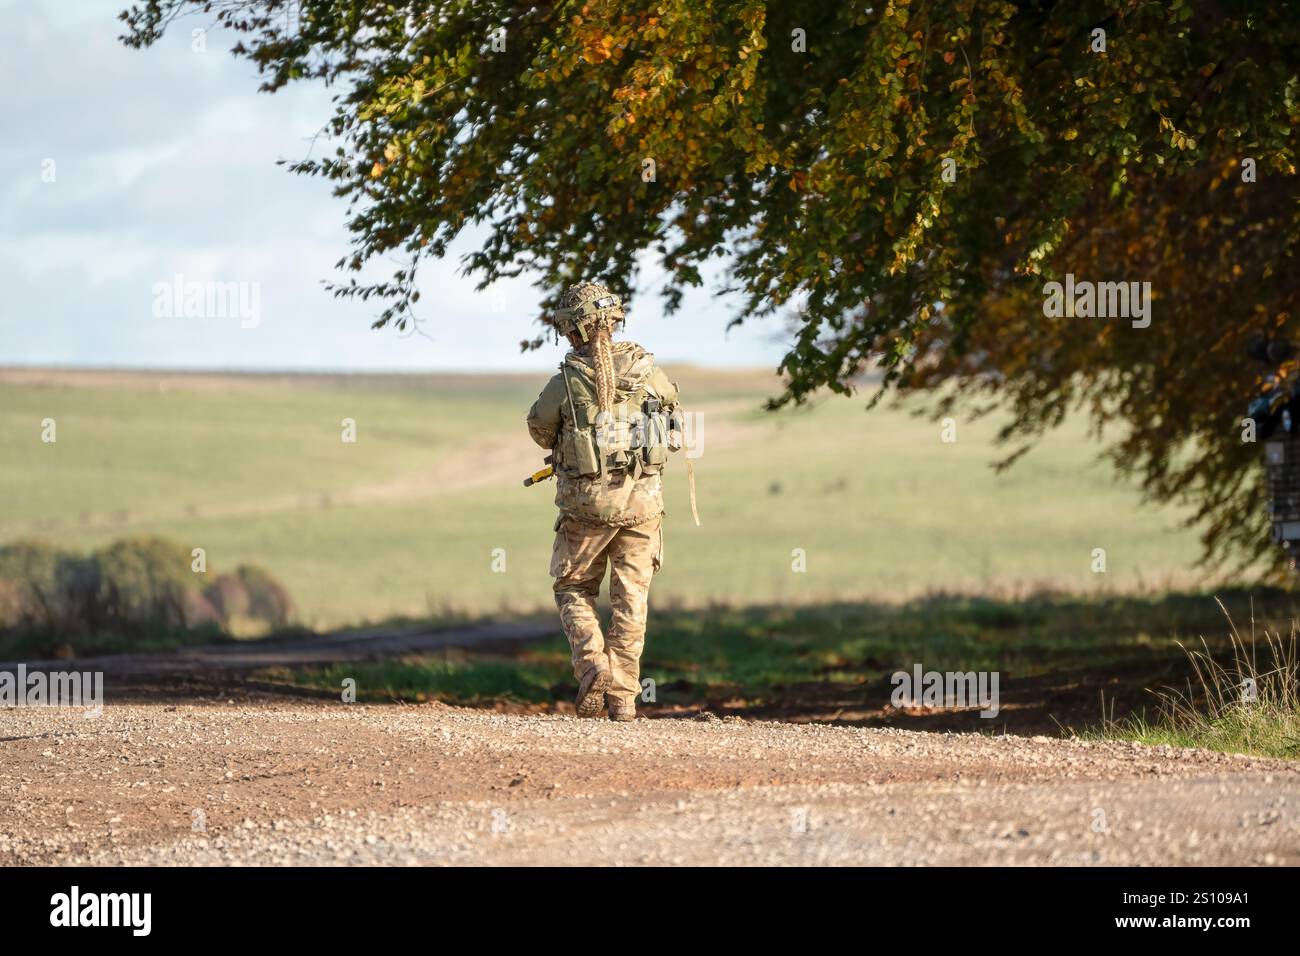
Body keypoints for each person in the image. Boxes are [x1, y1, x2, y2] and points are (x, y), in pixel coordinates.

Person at [526, 281, 682, 721]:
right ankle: (624, 699)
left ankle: (594, 666)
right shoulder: (650, 371)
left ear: (575, 330)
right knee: (632, 600)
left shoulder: (568, 378)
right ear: (614, 322)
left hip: (585, 507)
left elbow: (539, 426)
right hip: (644, 507)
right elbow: (674, 427)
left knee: (574, 587)